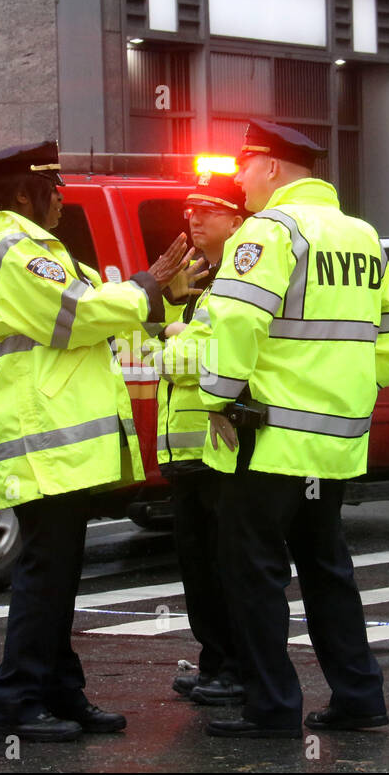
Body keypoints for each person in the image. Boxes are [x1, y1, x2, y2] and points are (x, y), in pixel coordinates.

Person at [0, 141, 193, 742]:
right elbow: (77, 316)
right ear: (25, 193)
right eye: (54, 186)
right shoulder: (13, 250)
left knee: (56, 576)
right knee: (45, 576)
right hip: (37, 443)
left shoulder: (30, 250)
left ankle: (58, 691)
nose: (62, 197)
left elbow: (93, 310)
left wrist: (157, 292)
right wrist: (148, 284)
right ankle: (14, 704)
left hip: (50, 444)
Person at [195, 119, 389, 737]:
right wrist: (359, 383)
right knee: (326, 568)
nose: (238, 180)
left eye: (243, 166)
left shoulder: (272, 231)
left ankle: (271, 710)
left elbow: (238, 320)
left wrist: (216, 398)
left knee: (255, 574)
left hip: (266, 439)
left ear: (270, 167)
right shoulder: (360, 235)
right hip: (334, 440)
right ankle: (359, 698)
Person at [155, 172, 247, 706]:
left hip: (221, 449)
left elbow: (207, 358)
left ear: (236, 220)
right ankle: (215, 661)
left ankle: (234, 666)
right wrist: (168, 310)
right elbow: (158, 345)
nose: (194, 217)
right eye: (191, 208)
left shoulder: (242, 276)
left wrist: (166, 338)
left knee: (224, 564)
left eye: (209, 210)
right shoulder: (198, 276)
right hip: (188, 451)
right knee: (198, 566)